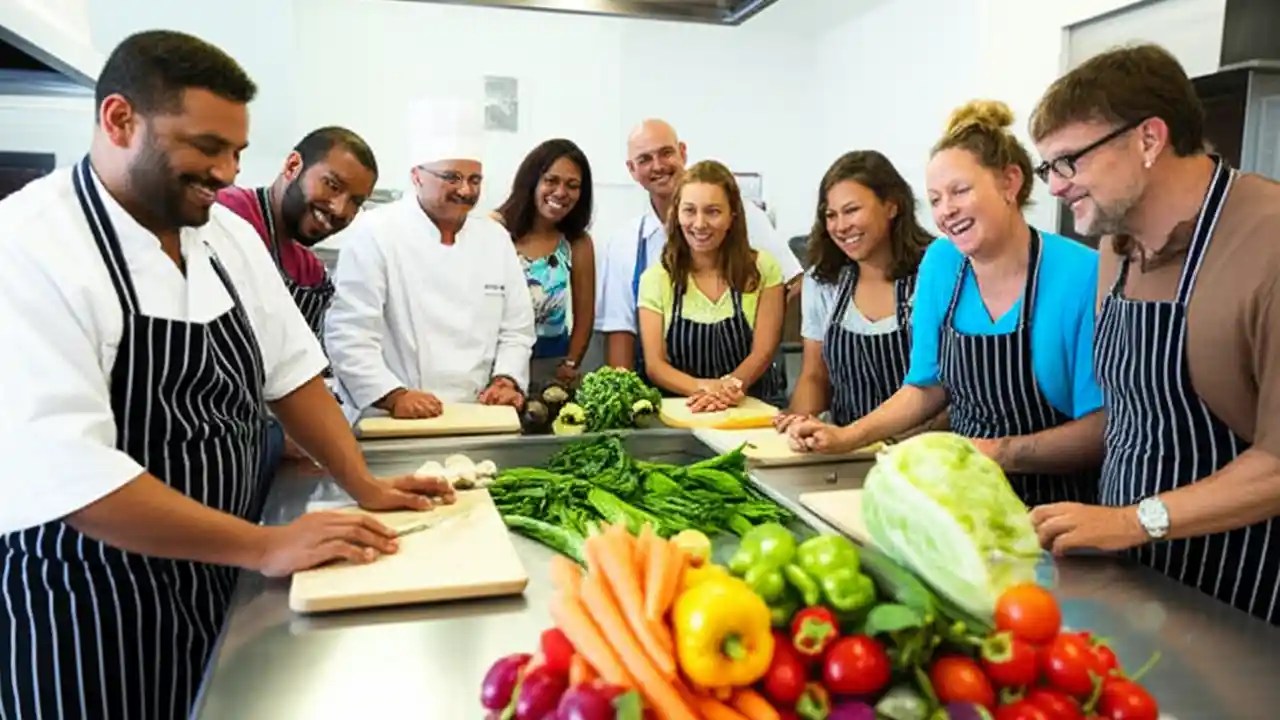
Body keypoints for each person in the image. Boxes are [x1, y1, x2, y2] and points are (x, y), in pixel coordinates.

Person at [0, 30, 454, 719]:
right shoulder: (30, 245)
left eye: (237, 152)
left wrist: (364, 484)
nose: (226, 172)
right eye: (207, 147)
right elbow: (74, 477)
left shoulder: (223, 236)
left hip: (220, 571)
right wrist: (265, 545)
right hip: (90, 599)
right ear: (120, 120)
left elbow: (294, 375)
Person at [1027, 43, 1280, 624]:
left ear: (1148, 139)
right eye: (1049, 169)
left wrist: (1134, 520)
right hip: (1131, 577)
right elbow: (1127, 417)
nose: (1056, 187)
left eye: (1069, 162)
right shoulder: (1114, 249)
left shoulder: (1266, 240)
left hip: (1240, 595)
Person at [791, 100, 1105, 507]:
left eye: (960, 191)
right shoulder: (942, 262)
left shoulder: (1082, 274)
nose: (946, 211)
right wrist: (846, 437)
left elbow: (1100, 429)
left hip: (1058, 508)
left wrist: (997, 452)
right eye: (936, 199)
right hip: (962, 498)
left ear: (1010, 182)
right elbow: (925, 387)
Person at [326, 96, 536, 422]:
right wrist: (393, 395)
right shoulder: (375, 232)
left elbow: (517, 331)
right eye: (452, 177)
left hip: (479, 416)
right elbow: (349, 333)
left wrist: (505, 380)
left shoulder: (495, 239)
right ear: (417, 176)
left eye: (475, 180)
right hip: (391, 421)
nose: (465, 190)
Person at [217, 126, 379, 485]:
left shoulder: (310, 271)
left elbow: (298, 371)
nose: (339, 209)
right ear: (292, 166)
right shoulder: (226, 219)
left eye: (355, 202)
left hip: (263, 447)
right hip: (213, 443)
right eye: (332, 186)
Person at [597, 119, 804, 376]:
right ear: (631, 169)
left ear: (682, 152)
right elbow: (620, 331)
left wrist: (767, 337)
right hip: (670, 393)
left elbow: (794, 284)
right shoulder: (626, 245)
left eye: (666, 153)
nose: (658, 166)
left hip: (750, 387)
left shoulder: (749, 219)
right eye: (645, 159)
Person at [774, 150, 934, 433]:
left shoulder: (934, 272)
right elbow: (814, 375)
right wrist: (800, 420)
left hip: (922, 445)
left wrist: (887, 442)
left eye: (851, 210)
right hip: (845, 447)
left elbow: (948, 388)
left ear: (891, 206)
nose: (840, 226)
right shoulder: (823, 281)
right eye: (831, 215)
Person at [637, 160, 786, 410]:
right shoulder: (655, 279)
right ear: (677, 214)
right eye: (689, 211)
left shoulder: (764, 269)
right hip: (687, 411)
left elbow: (763, 352)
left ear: (732, 216)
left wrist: (731, 387)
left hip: (752, 410)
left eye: (713, 212)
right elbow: (656, 366)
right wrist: (704, 389)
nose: (699, 223)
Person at [493, 138, 595, 388]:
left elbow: (585, 317)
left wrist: (571, 363)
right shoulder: (495, 230)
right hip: (496, 366)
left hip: (550, 366)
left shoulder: (577, 242)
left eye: (572, 185)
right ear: (532, 181)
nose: (561, 192)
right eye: (551, 181)